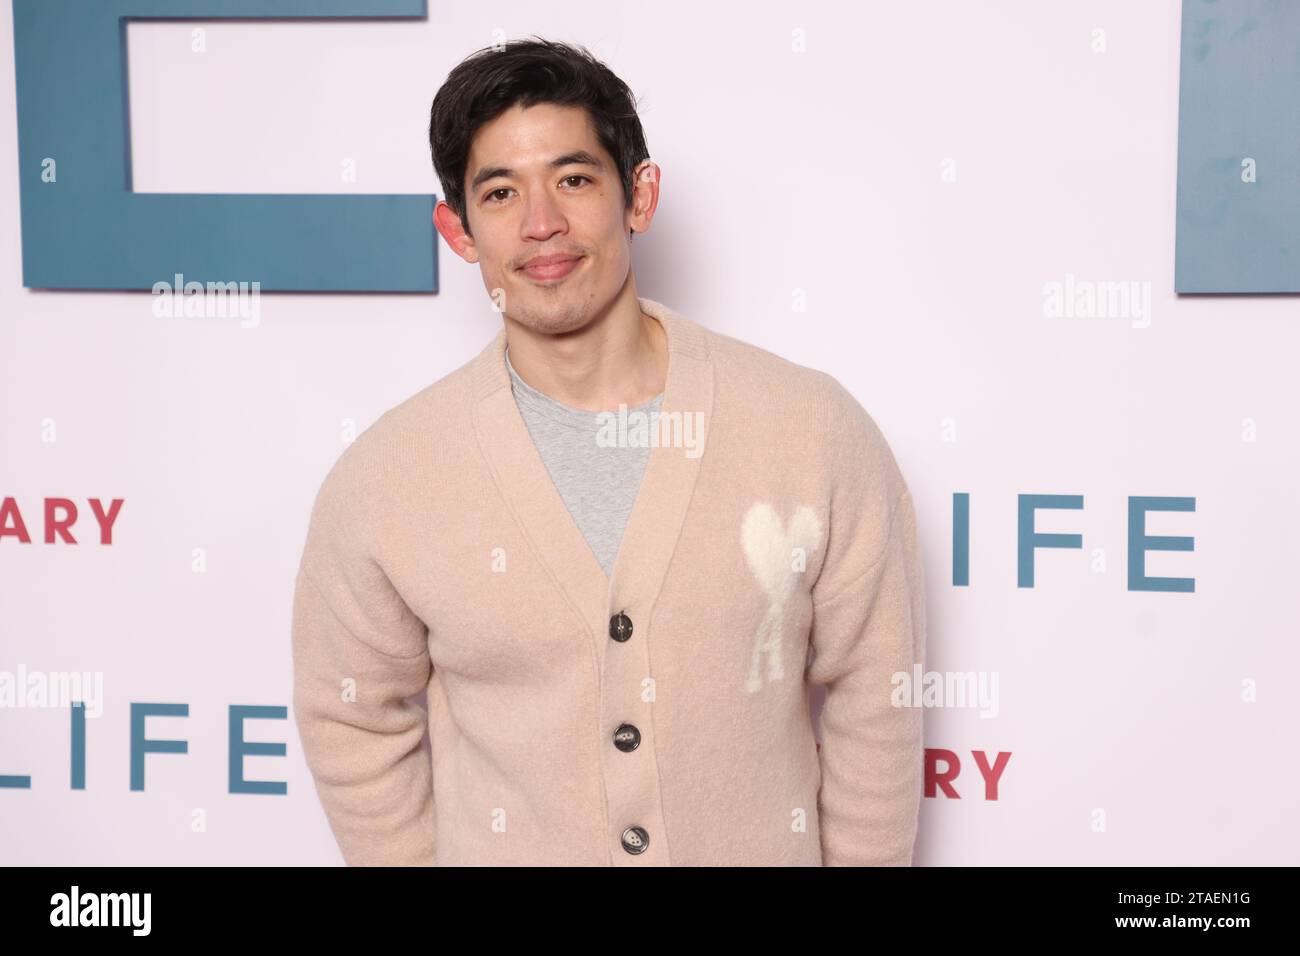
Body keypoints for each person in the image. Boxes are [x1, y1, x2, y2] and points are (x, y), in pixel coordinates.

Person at [291, 36, 926, 866]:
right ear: (458, 229)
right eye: (500, 192)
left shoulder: (809, 427)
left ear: (640, 194)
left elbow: (877, 700)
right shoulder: (385, 479)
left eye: (575, 178)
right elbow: (351, 718)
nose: (542, 223)